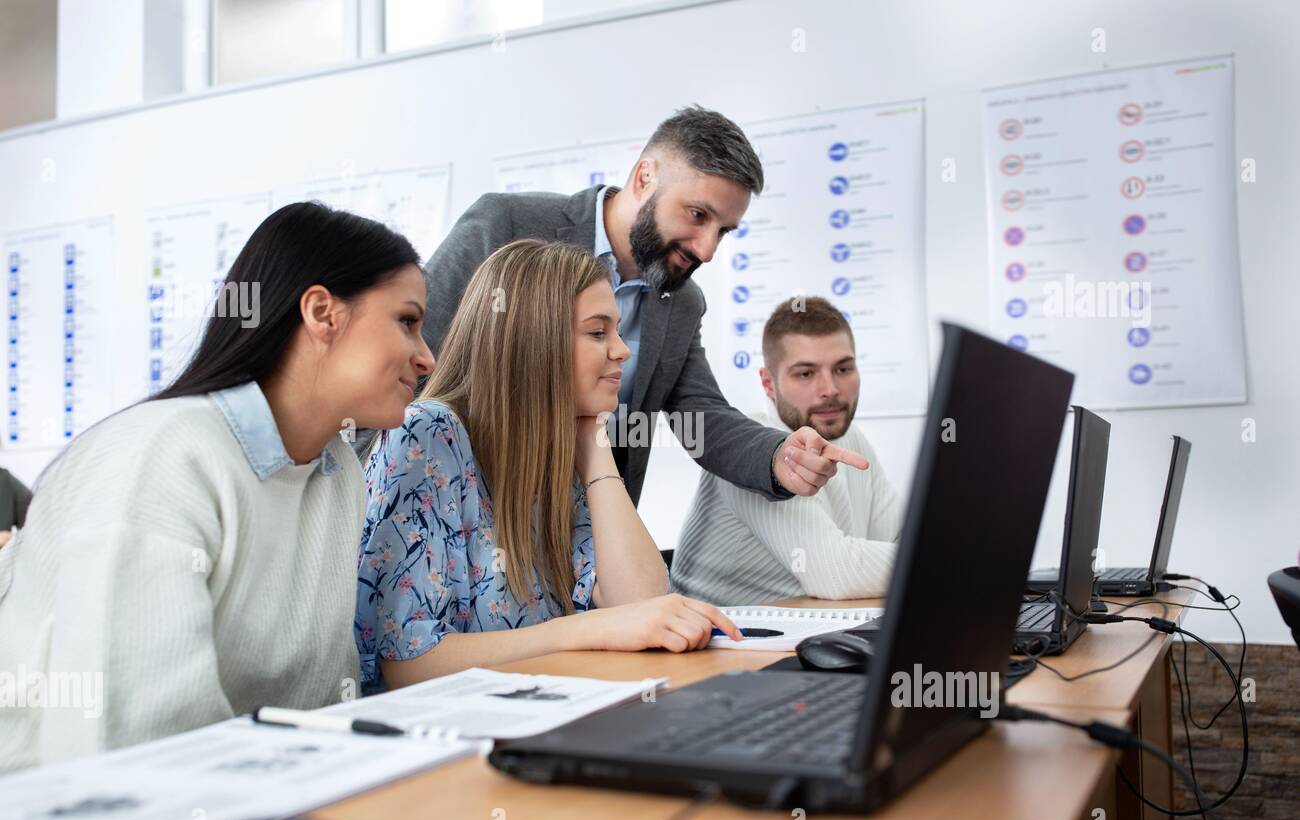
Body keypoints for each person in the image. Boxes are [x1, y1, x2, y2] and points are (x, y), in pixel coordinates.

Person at [0, 202, 434, 771]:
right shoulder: (162, 457)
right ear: (322, 313)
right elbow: (127, 742)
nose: (426, 358)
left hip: (244, 804)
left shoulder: (337, 473)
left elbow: (319, 702)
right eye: (407, 321)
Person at [419, 105, 867, 507]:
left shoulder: (682, 302)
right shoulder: (508, 226)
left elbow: (701, 416)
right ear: (644, 178)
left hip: (590, 542)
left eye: (724, 230)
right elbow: (416, 357)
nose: (707, 249)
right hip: (467, 516)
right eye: (697, 215)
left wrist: (779, 455)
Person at [356, 239, 743, 693]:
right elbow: (407, 664)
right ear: (534, 340)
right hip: (439, 736)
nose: (622, 351)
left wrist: (595, 451)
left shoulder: (556, 451)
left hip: (537, 718)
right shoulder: (427, 435)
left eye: (616, 332)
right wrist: (592, 630)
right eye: (598, 333)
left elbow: (642, 604)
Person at [672, 296, 903, 605]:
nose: (831, 389)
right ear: (768, 384)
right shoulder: (753, 452)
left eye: (843, 369)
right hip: (713, 644)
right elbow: (837, 572)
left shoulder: (847, 436)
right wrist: (954, 560)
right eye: (806, 373)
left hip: (800, 630)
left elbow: (898, 538)